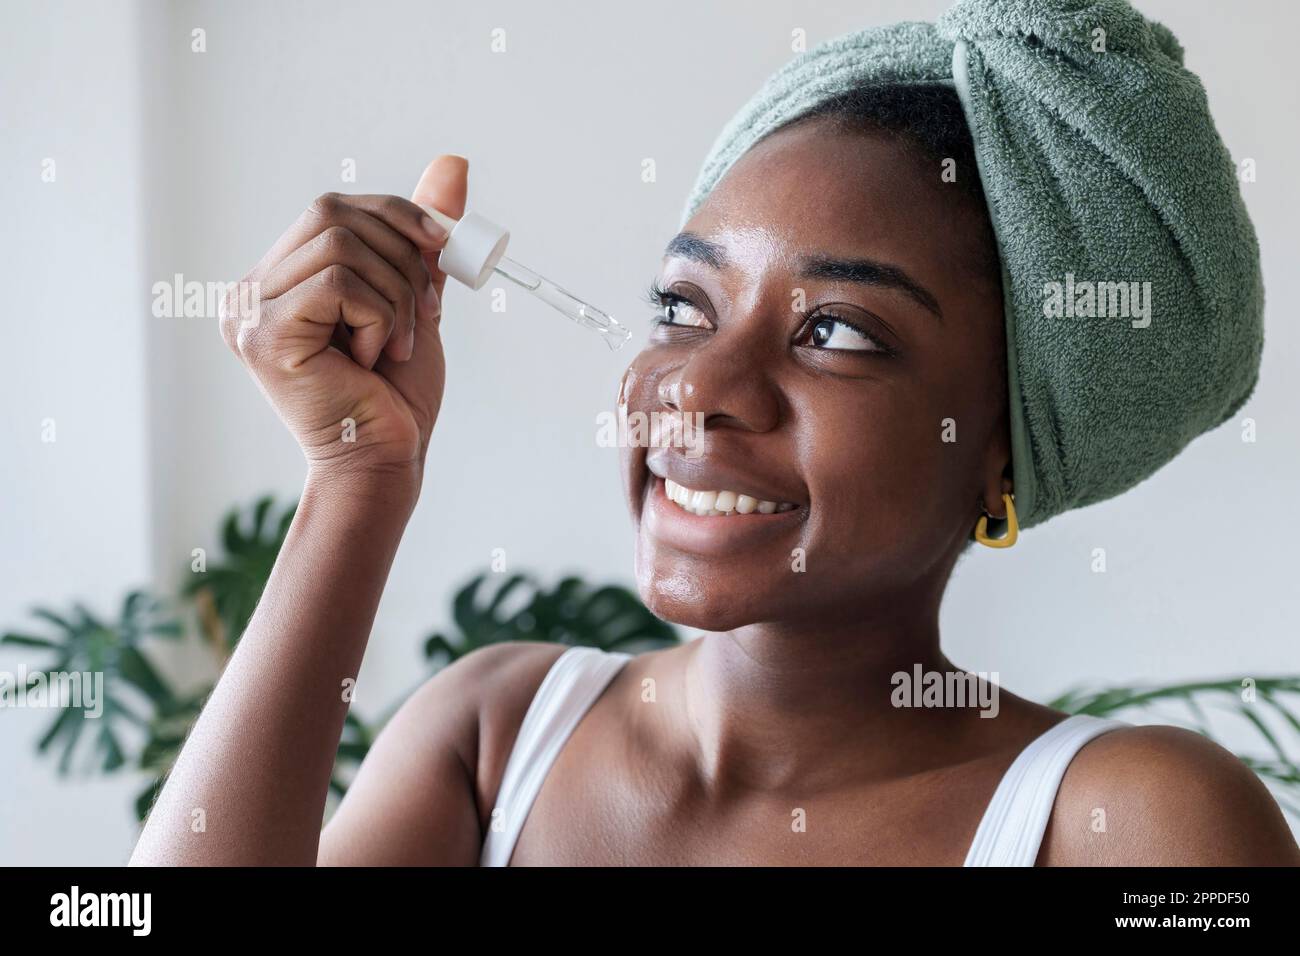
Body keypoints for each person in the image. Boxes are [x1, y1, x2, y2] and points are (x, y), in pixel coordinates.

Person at [130, 1, 1300, 866]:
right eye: (684, 308)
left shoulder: (1132, 824)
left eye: (836, 330)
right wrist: (357, 478)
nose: (698, 386)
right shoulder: (494, 736)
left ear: (1006, 444)